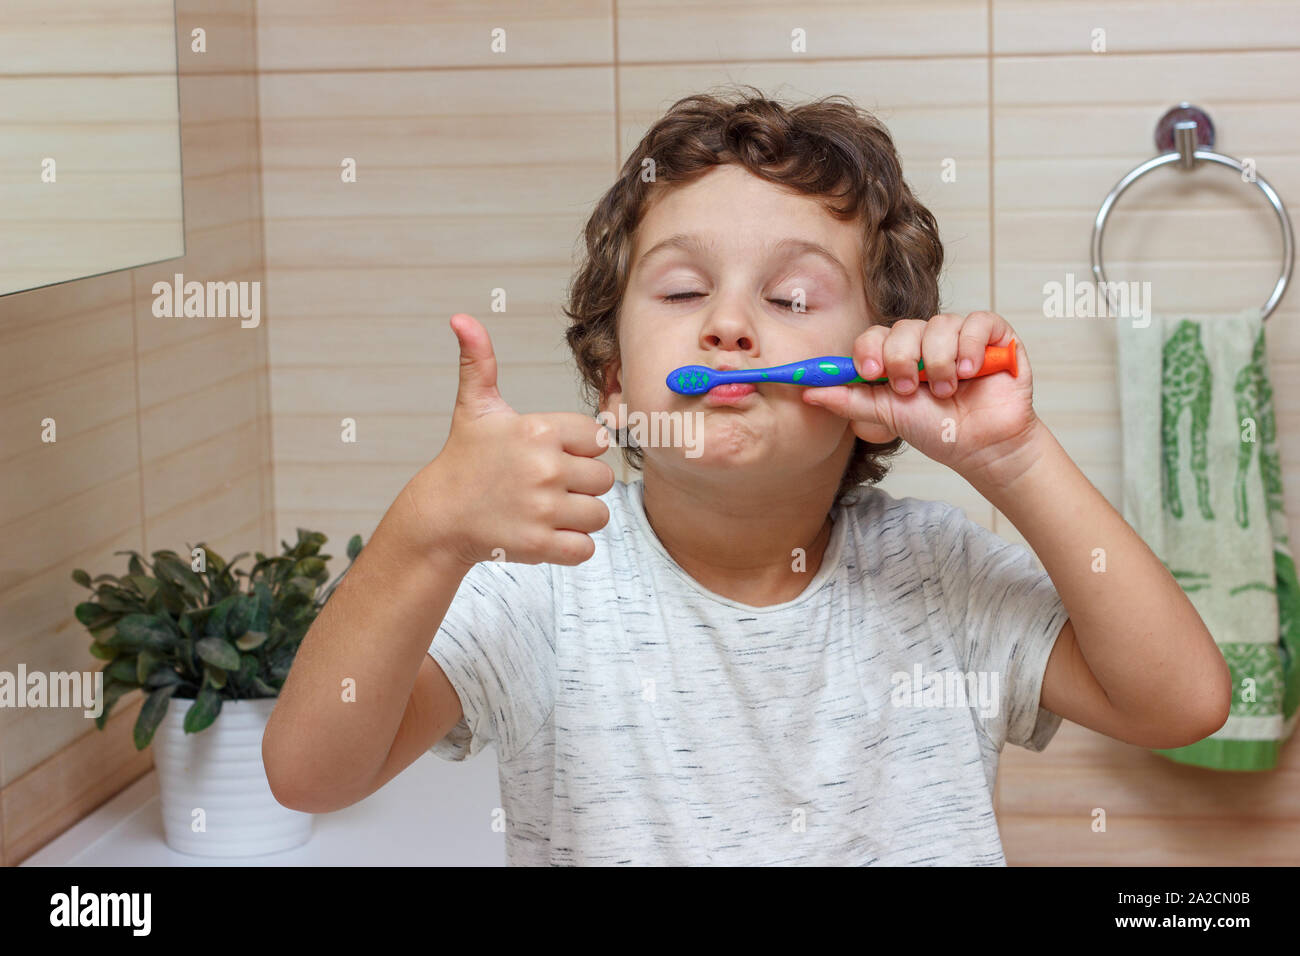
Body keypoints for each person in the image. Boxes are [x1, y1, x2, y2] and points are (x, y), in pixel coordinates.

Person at [263, 86, 1231, 866]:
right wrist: (427, 528)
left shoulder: (940, 576)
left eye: (790, 294)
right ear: (612, 380)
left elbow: (1182, 698)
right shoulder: (544, 588)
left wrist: (1011, 458)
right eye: (683, 289)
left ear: (874, 367)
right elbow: (309, 770)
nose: (728, 324)